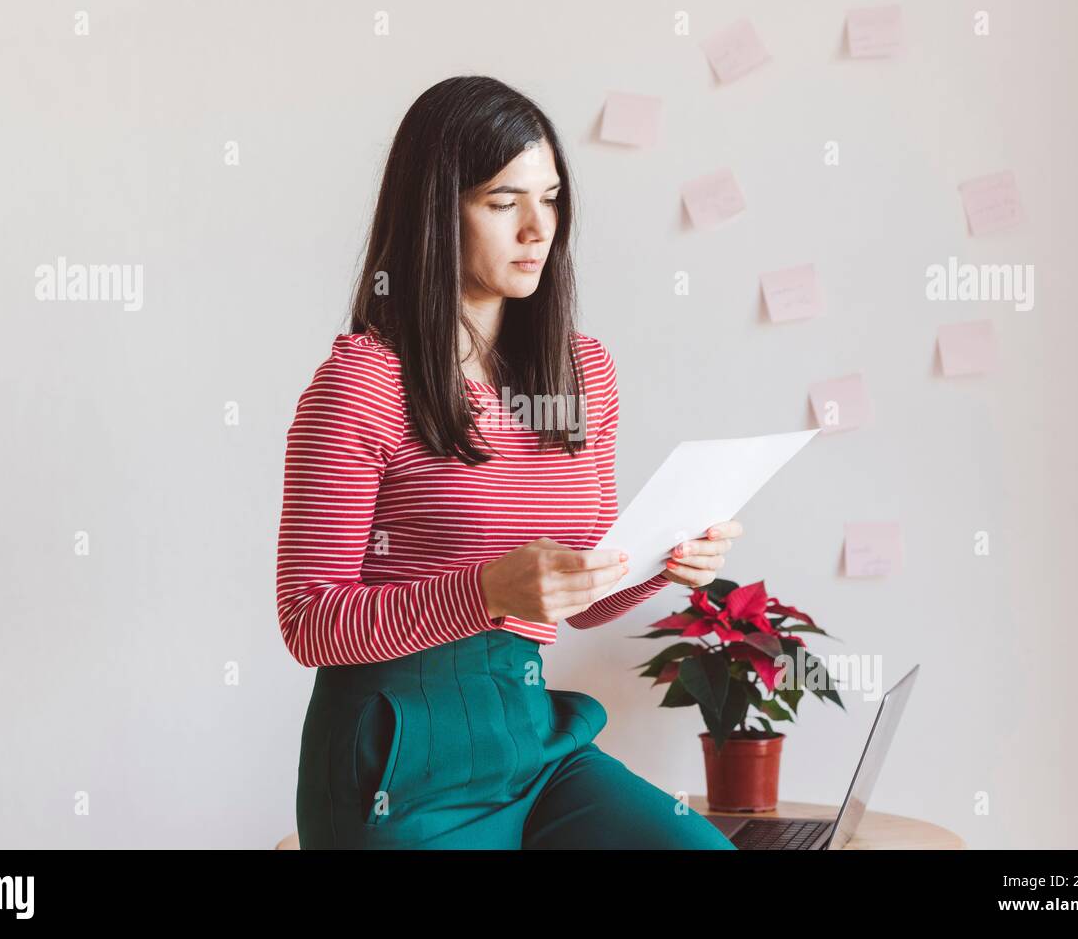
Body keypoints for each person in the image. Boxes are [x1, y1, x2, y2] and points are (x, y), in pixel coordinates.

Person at [277, 75, 743, 849]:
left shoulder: (583, 372)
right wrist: (485, 589)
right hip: (395, 762)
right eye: (503, 202)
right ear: (436, 213)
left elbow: (580, 600)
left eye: (552, 198)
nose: (539, 229)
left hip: (529, 741)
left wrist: (667, 562)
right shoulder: (362, 382)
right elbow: (308, 621)